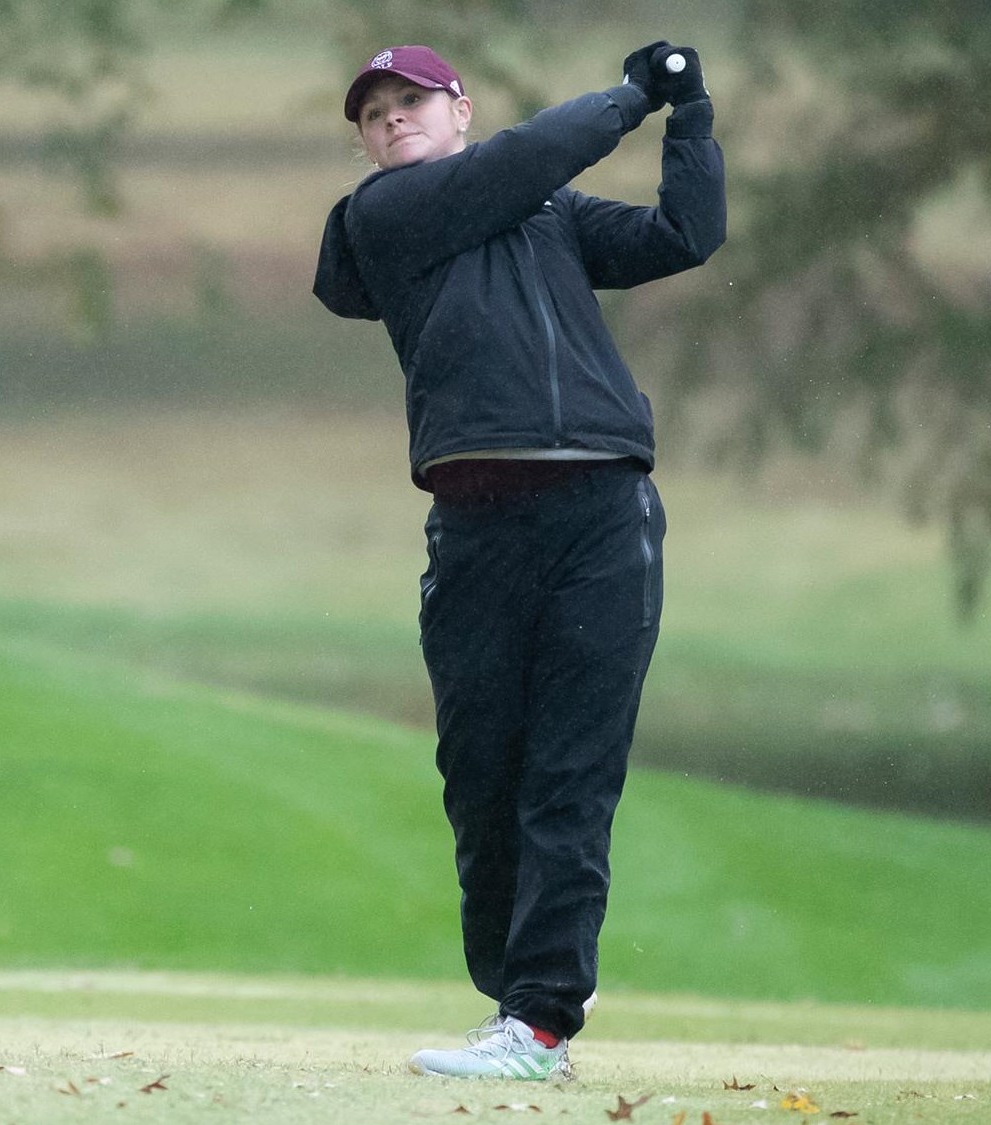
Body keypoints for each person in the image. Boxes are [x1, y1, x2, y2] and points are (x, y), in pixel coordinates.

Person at [312, 41, 726, 1080]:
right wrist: (634, 92)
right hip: (477, 526)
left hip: (601, 513)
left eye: (413, 101)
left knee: (570, 778)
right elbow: (521, 163)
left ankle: (540, 1020)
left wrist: (692, 121)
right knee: (483, 777)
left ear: (460, 109)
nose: (393, 119)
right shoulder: (386, 217)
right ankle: (513, 1002)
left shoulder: (546, 216)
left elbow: (684, 235)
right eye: (374, 113)